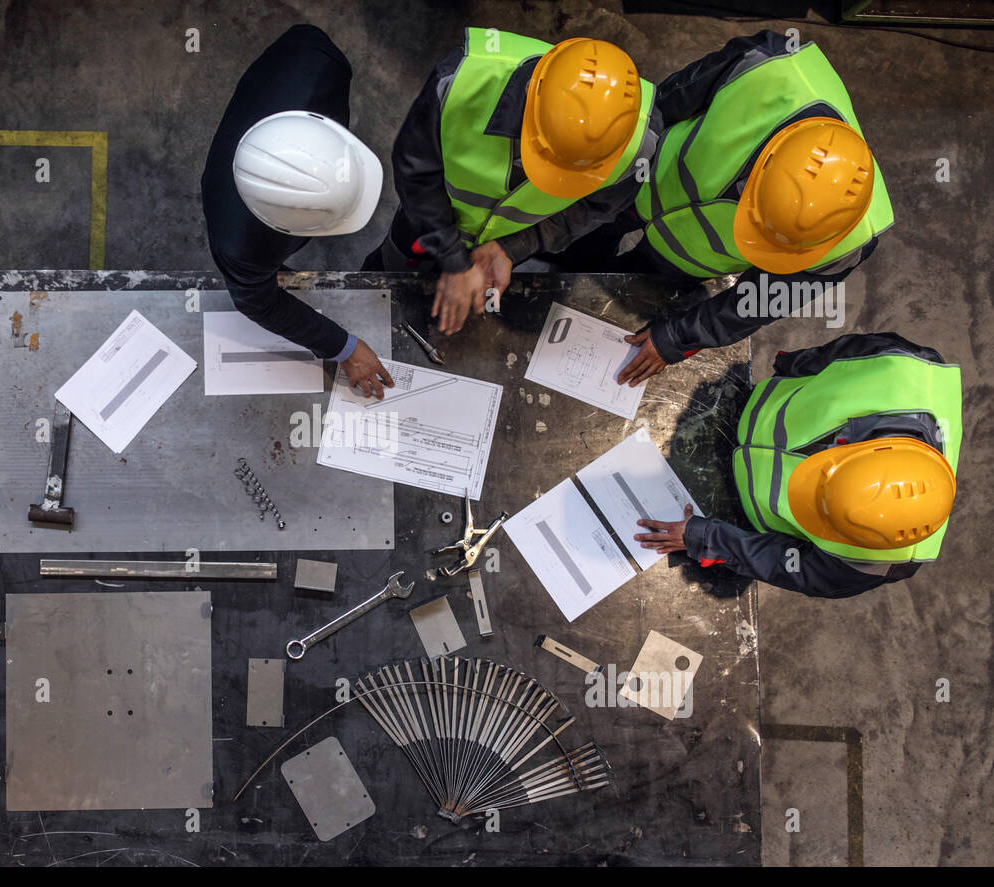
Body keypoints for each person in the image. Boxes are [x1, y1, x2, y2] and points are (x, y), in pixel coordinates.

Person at [612, 30, 894, 386]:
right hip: (635, 181)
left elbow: (759, 300)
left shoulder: (851, 242)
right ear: (763, 163)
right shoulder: (768, 68)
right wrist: (615, 168)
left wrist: (675, 339)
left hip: (685, 257)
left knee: (632, 282)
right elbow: (662, 104)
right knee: (577, 242)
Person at [373, 29, 661, 335]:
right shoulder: (462, 80)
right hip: (425, 222)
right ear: (528, 91)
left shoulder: (640, 142)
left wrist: (512, 247)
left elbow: (592, 210)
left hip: (505, 237)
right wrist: (453, 259)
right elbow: (416, 172)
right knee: (383, 279)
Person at [634, 333, 961, 599]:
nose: (810, 495)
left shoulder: (879, 562)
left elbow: (784, 563)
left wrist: (705, 537)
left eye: (823, 508)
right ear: (849, 446)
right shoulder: (907, 369)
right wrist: (790, 364)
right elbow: (833, 356)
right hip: (751, 408)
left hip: (739, 505)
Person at [201, 25, 393, 397]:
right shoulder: (238, 245)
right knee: (260, 277)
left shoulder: (316, 59)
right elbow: (259, 305)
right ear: (279, 225)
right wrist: (345, 348)